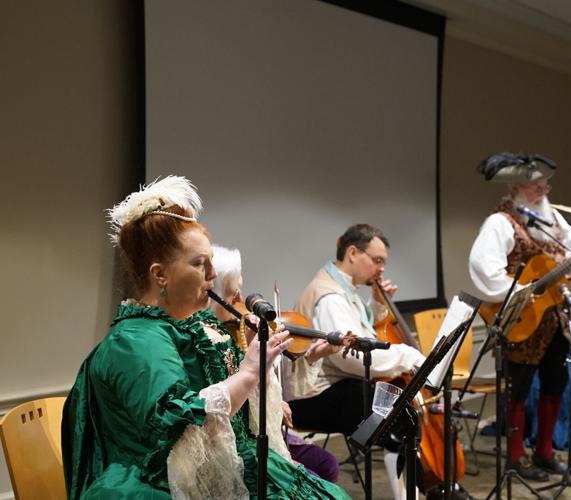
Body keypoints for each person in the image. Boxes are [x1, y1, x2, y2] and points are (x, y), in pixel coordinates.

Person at [62, 176, 348, 499]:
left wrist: (255, 361)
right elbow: (185, 426)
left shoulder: (192, 324)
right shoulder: (135, 341)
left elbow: (234, 413)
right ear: (160, 275)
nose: (212, 275)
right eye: (200, 264)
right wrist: (249, 372)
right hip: (157, 485)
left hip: (231, 464)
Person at [469, 153, 571, 481]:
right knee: (518, 389)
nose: (543, 191)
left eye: (544, 185)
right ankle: (516, 457)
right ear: (516, 187)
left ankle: (545, 452)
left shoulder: (556, 220)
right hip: (522, 319)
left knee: (554, 384)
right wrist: (521, 293)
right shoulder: (500, 223)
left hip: (556, 319)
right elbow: (484, 268)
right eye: (535, 187)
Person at [283, 224, 425, 499]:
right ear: (352, 253)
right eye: (377, 260)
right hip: (311, 397)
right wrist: (406, 356)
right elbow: (354, 359)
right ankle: (412, 494)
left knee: (398, 409)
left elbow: (358, 331)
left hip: (332, 386)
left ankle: (421, 488)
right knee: (399, 416)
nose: (381, 268)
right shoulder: (329, 296)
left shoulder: (339, 286)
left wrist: (377, 306)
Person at [209, 245, 341, 483]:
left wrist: (275, 397)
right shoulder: (213, 339)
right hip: (244, 437)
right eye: (233, 293)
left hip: (268, 427)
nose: (240, 300)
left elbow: (269, 386)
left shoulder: (242, 331)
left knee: (327, 464)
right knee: (312, 474)